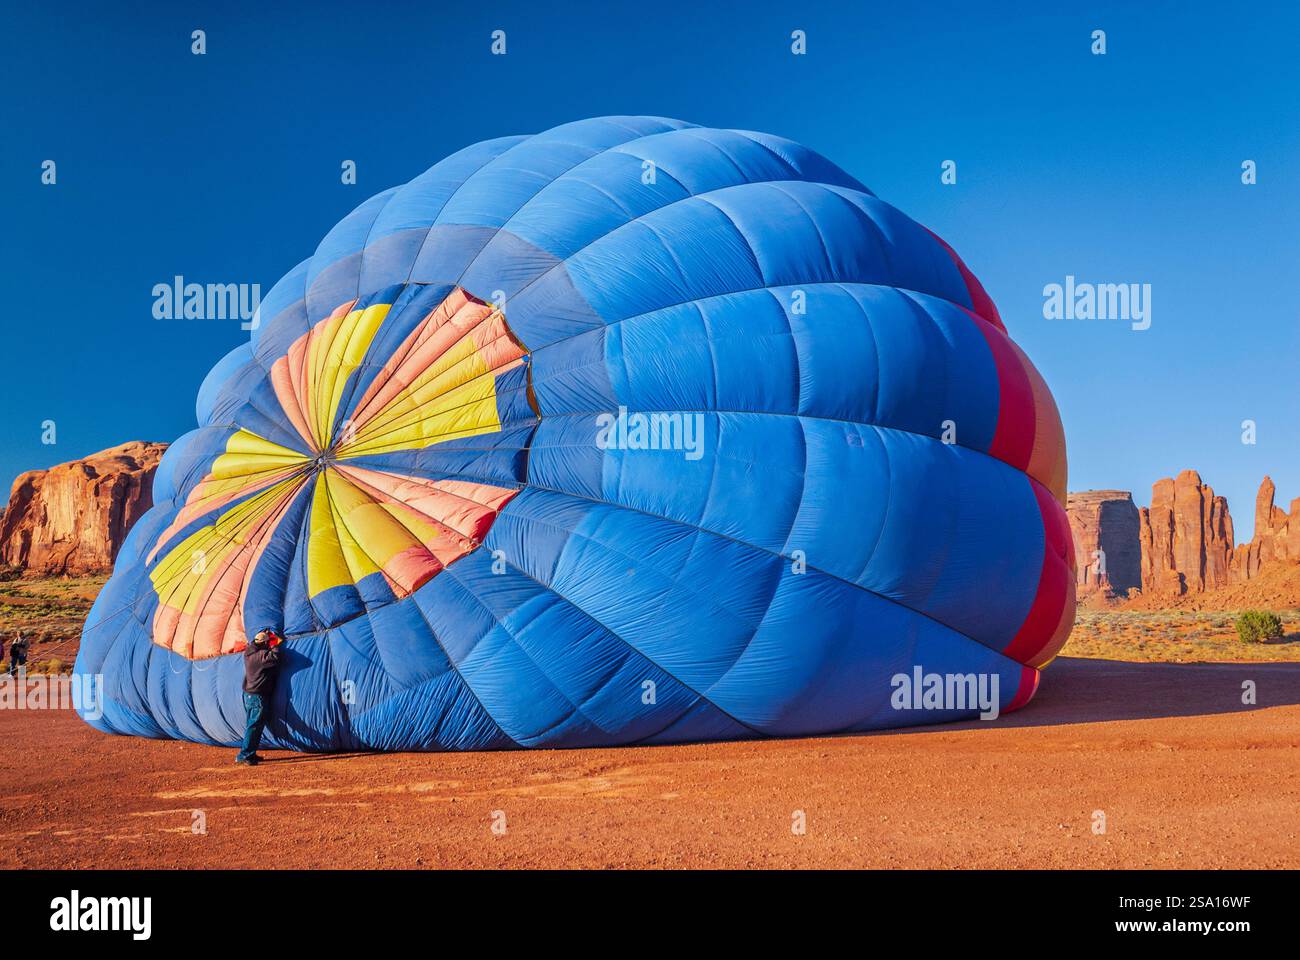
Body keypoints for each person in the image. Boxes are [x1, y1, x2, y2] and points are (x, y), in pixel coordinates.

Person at [236, 627, 285, 766]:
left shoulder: (248, 653)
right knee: (253, 726)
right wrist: (275, 643)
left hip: (249, 695)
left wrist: (264, 633)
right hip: (257, 697)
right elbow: (275, 656)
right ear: (264, 644)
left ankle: (250, 753)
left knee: (254, 726)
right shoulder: (261, 657)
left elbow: (254, 643)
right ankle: (244, 755)